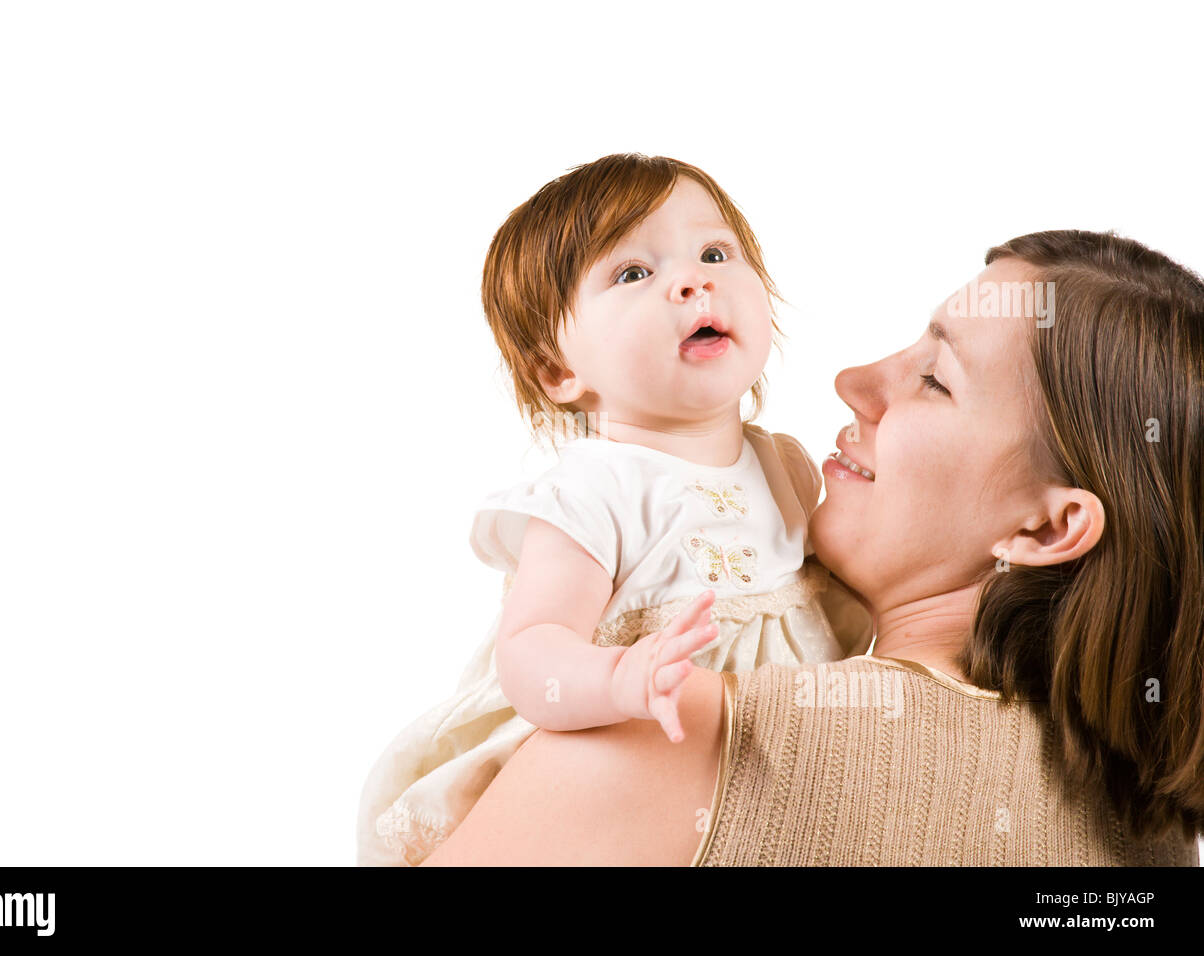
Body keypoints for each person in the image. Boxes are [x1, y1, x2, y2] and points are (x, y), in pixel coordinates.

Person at [421, 230, 1204, 866]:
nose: (856, 381)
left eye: (934, 378)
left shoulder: (675, 737)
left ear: (1045, 529)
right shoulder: (1156, 833)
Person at [355, 154, 871, 866]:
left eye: (715, 253)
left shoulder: (783, 466)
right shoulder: (591, 493)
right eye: (634, 273)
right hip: (627, 780)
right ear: (558, 371)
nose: (693, 281)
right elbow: (531, 651)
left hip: (770, 780)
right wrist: (622, 680)